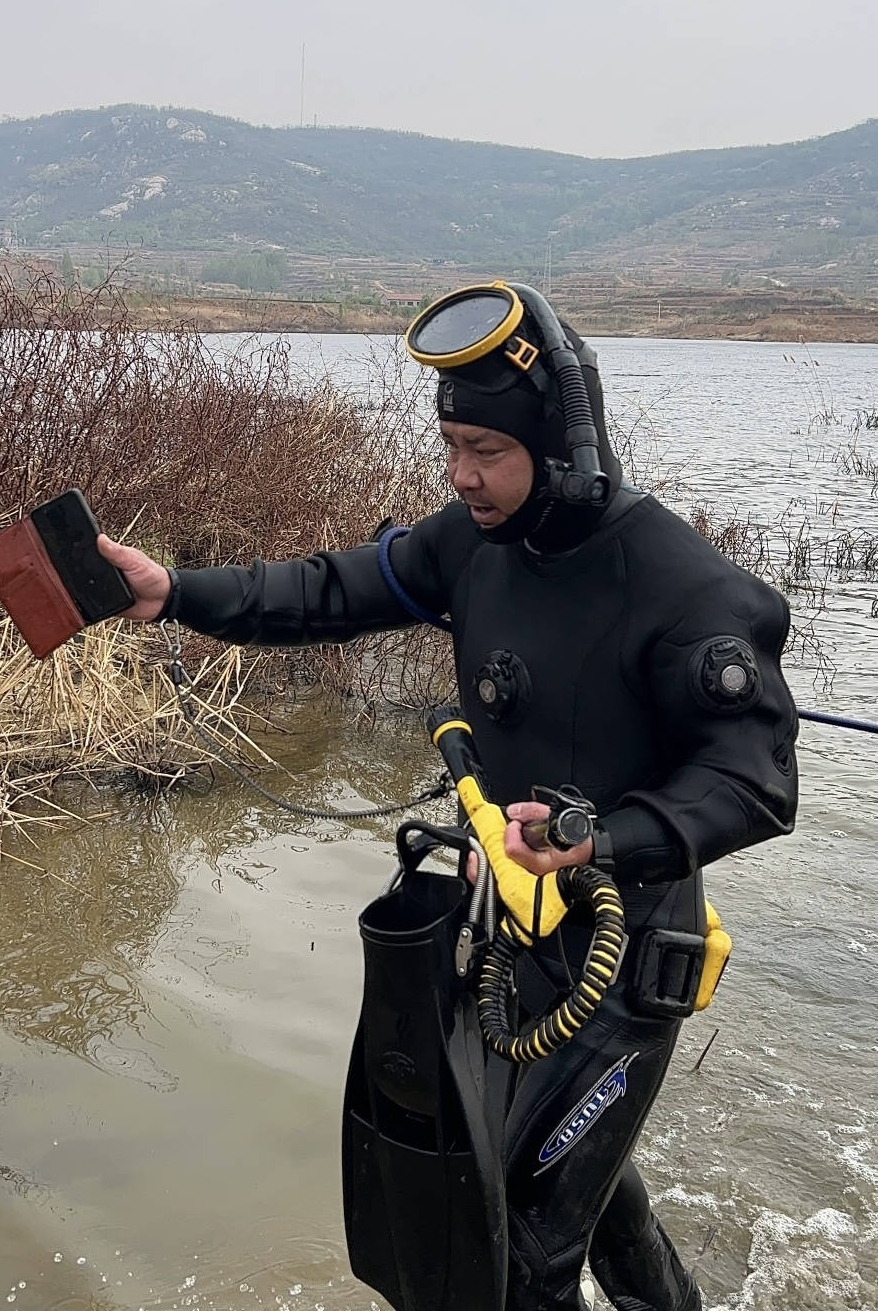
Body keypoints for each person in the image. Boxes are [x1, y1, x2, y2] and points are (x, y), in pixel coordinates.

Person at [99, 282, 798, 1311]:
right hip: (514, 943)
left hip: (627, 960)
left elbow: (755, 782)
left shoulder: (685, 589)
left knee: (515, 1245)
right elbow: (332, 589)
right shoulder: (474, 543)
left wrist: (601, 835)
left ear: (562, 446)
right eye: (452, 447)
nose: (462, 475)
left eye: (487, 451)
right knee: (586, 1195)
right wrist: (176, 593)